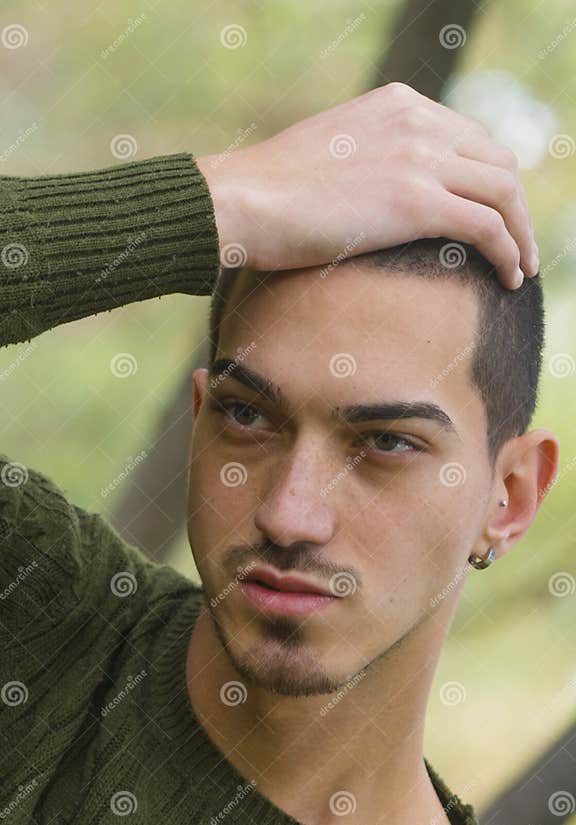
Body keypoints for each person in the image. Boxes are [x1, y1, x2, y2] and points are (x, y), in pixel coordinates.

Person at [0, 82, 552, 824]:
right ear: (200, 417)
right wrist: (221, 200)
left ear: (509, 497)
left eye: (386, 442)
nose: (290, 514)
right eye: (248, 416)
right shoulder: (43, 629)